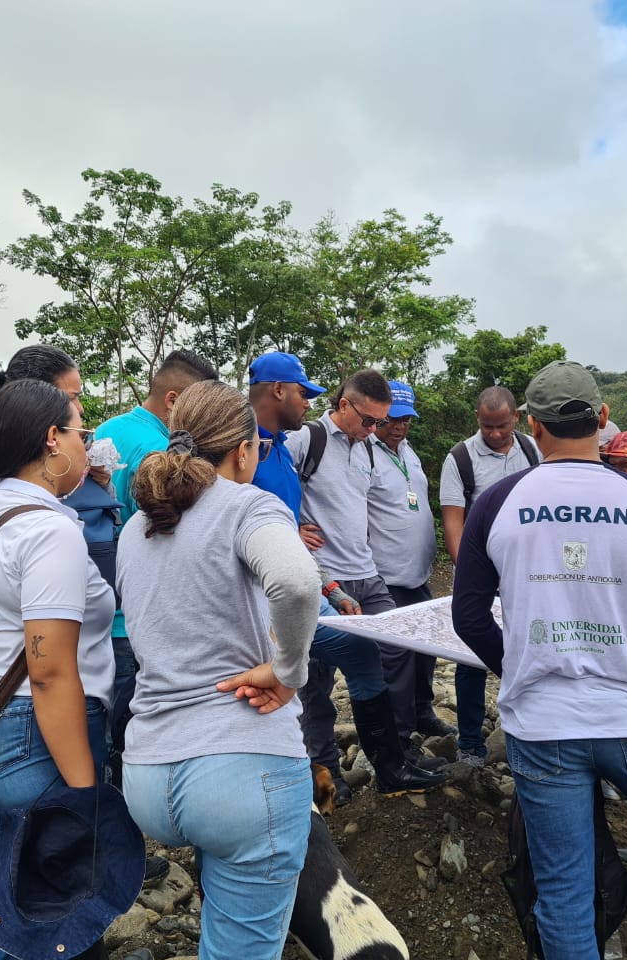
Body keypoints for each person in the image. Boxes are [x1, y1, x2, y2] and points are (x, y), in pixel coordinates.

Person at [452, 359, 627, 960]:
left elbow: (469, 618)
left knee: (564, 880)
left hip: (542, 725)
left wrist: (518, 667)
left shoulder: (497, 502)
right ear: (601, 419)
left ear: (531, 426)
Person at [116, 380, 318, 959]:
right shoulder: (246, 505)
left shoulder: (139, 526)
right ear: (245, 449)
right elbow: (297, 582)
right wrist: (288, 670)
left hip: (150, 773)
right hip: (240, 768)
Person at [0, 378, 115, 960]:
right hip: (39, 736)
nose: (90, 446)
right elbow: (50, 672)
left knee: (23, 891)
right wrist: (85, 793)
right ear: (52, 440)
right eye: (82, 432)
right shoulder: (48, 529)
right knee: (41, 908)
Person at [248, 355, 440, 799]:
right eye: (368, 420)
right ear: (345, 405)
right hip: (316, 577)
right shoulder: (303, 439)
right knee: (315, 679)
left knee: (397, 647)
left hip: (363, 572)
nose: (374, 430)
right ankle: (327, 771)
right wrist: (291, 529)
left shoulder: (369, 447)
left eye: (381, 422)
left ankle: (393, 755)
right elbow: (262, 494)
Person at [95, 350, 219, 789]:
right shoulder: (160, 452)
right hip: (137, 617)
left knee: (106, 732)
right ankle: (123, 838)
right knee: (127, 738)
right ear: (173, 401)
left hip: (102, 607)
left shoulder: (109, 431)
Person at [439, 386, 541, 766]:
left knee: (534, 645)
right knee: (471, 655)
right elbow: (455, 524)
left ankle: (533, 733)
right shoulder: (461, 458)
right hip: (484, 572)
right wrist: (471, 575)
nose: (495, 434)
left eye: (501, 426)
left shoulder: (532, 449)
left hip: (530, 572)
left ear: (516, 418)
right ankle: (469, 742)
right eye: (487, 427)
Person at [368, 381, 455, 738]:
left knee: (426, 649)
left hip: (417, 574)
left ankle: (422, 712)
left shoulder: (408, 451)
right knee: (397, 659)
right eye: (393, 419)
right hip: (386, 575)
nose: (401, 426)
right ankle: (400, 736)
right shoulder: (365, 452)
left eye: (407, 419)